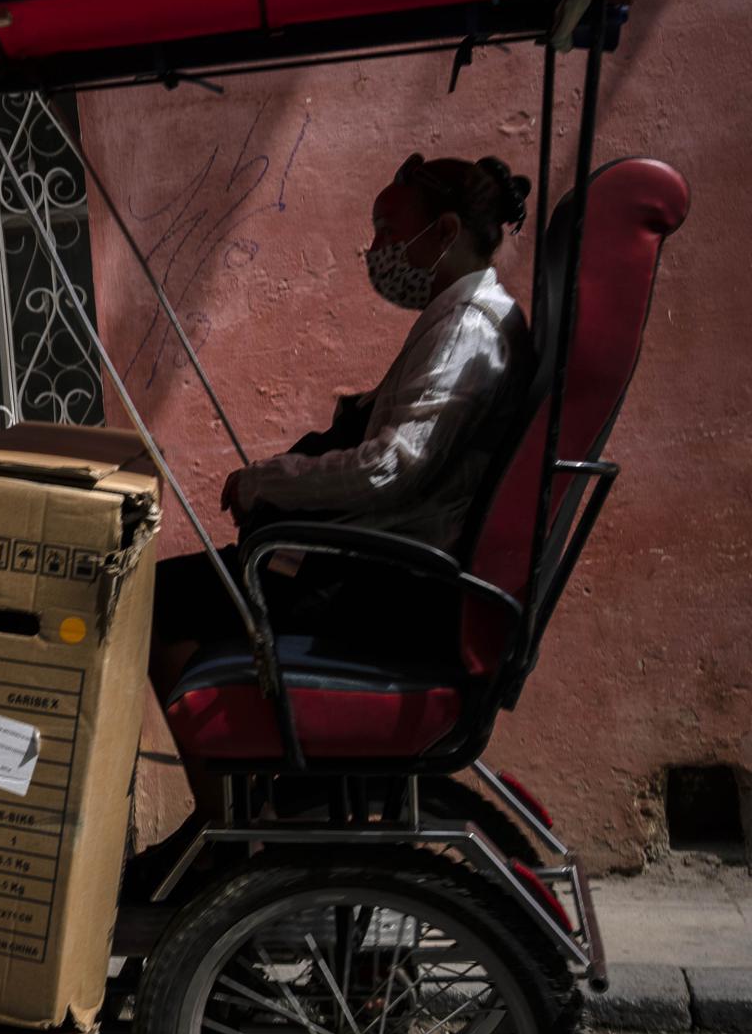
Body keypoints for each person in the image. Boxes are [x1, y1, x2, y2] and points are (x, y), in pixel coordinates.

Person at [147, 152, 533, 695]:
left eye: (387, 231)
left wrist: (266, 481)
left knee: (158, 601)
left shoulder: (467, 328)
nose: (376, 252)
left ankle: (232, 773)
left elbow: (388, 467)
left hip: (387, 586)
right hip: (384, 564)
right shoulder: (462, 316)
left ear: (445, 231)